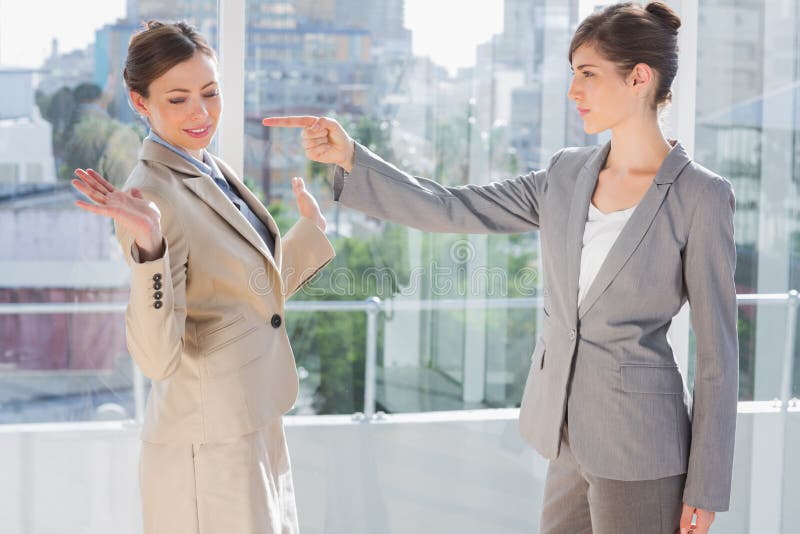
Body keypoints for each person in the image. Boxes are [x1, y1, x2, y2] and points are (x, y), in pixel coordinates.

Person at [263, 3, 737, 533]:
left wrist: (706, 484)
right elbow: (451, 205)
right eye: (572, 73)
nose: (572, 90)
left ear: (639, 78)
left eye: (588, 74)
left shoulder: (702, 196)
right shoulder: (566, 173)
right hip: (564, 433)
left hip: (642, 446)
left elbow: (718, 355)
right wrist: (353, 156)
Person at [71, 21, 335, 534]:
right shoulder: (152, 195)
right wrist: (149, 248)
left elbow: (241, 298)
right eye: (178, 99)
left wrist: (311, 231)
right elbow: (156, 357)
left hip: (252, 420)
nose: (201, 112)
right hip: (208, 446)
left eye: (210, 93)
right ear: (139, 102)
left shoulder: (206, 166)